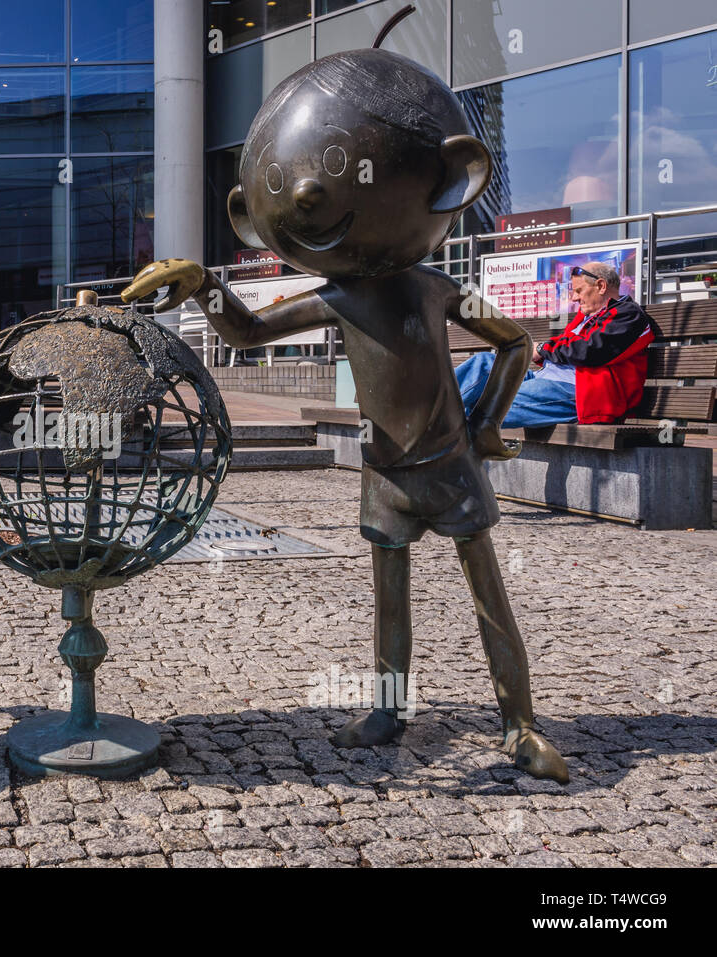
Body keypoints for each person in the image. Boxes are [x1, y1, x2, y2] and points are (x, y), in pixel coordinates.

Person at [122, 17, 568, 781]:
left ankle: (520, 721)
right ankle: (389, 707)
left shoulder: (434, 288)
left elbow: (516, 343)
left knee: (489, 594)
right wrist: (203, 285)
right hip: (386, 470)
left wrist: (488, 426)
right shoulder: (338, 297)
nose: (301, 193)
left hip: (449, 461)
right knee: (389, 599)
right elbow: (252, 331)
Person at [456, 261, 658, 426]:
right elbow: (566, 344)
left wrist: (544, 349)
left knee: (482, 409)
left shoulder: (628, 316)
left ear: (601, 286)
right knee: (483, 363)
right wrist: (544, 350)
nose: (574, 297)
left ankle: (437, 423)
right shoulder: (587, 316)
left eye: (579, 290)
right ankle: (430, 410)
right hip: (544, 380)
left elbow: (589, 351)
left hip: (579, 392)